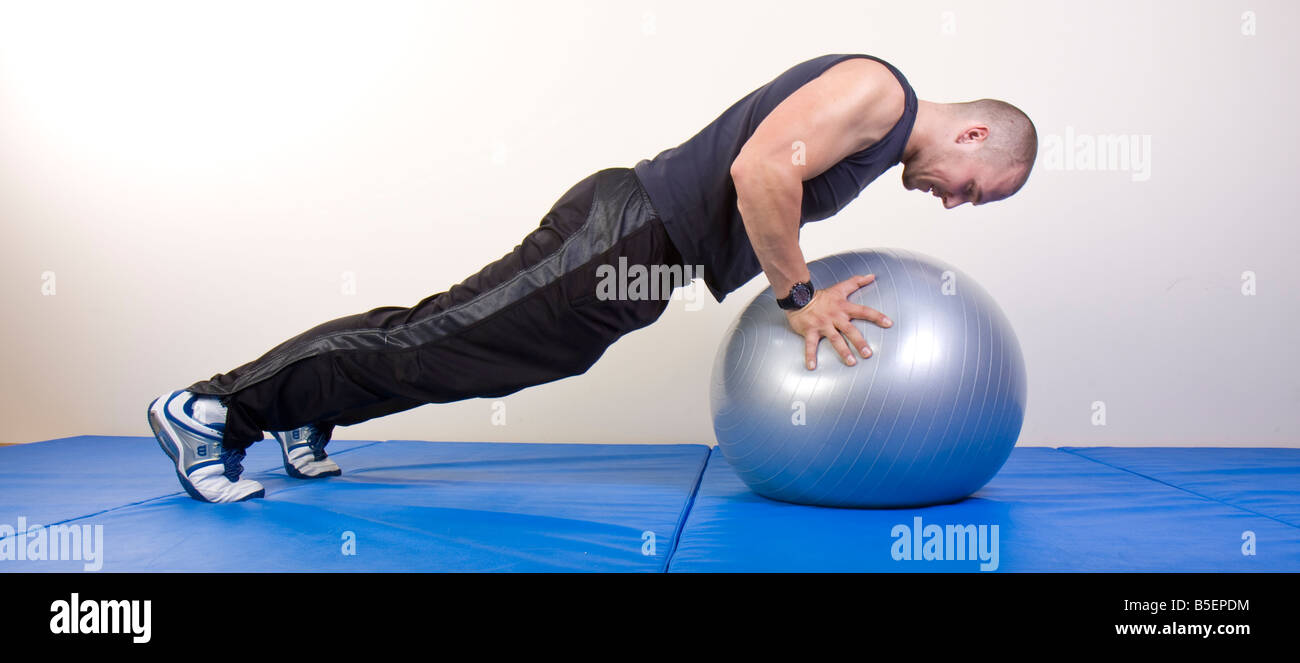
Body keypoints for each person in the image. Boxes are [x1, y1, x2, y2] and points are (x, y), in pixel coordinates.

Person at [147, 53, 1037, 503]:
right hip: (627, 234)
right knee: (444, 336)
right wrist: (799, 299)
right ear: (972, 138)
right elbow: (761, 173)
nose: (958, 204)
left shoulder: (883, 130)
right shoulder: (880, 94)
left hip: (645, 256)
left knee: (469, 350)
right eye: (976, 190)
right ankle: (215, 408)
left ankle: (307, 404)